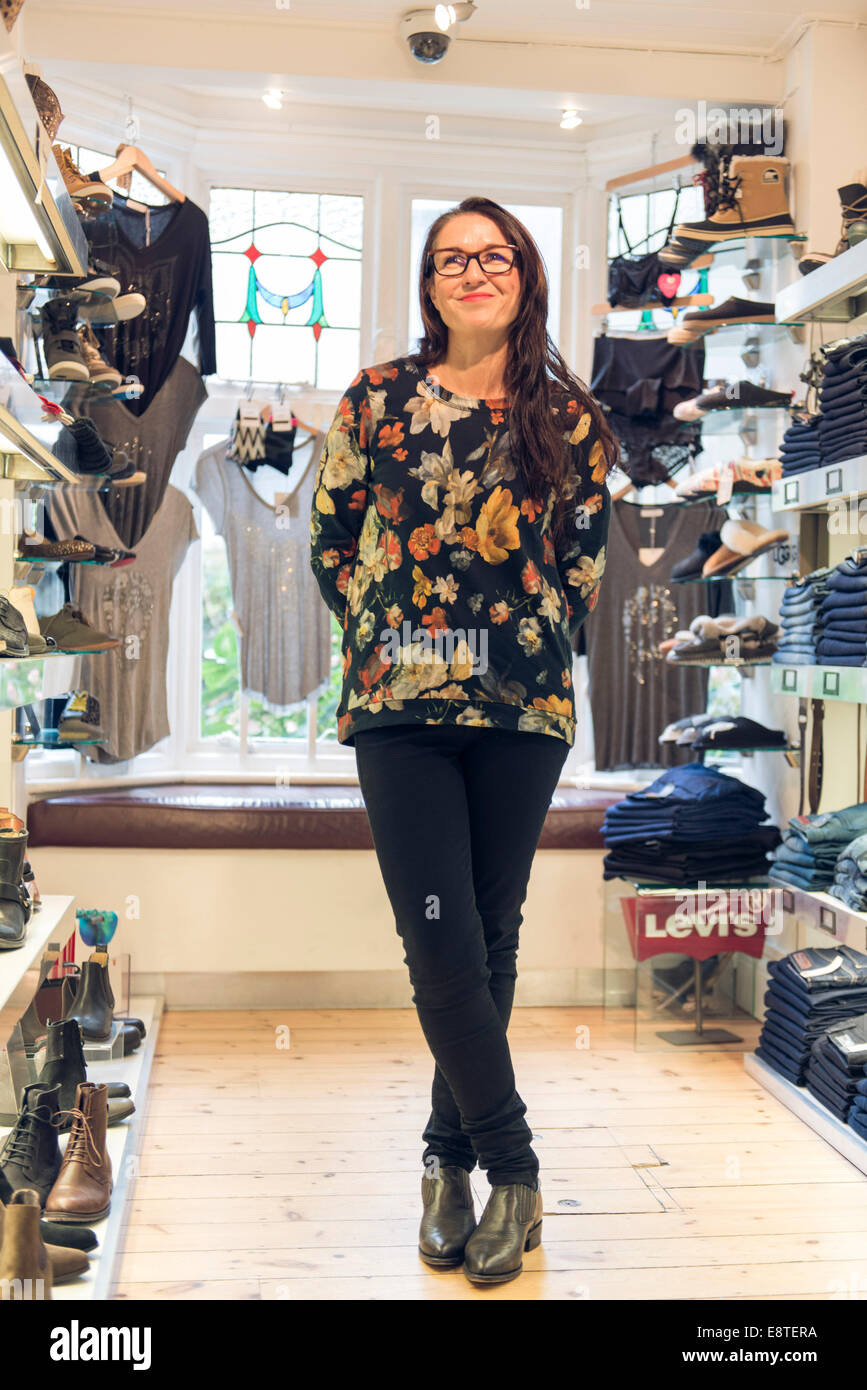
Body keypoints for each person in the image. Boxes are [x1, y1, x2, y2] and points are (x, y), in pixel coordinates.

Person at [310, 196, 616, 1286]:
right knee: (438, 938)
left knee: (488, 933)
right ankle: (516, 1168)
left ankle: (447, 1164)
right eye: (452, 258)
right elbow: (332, 538)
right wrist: (394, 630)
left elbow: (583, 560)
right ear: (430, 281)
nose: (472, 271)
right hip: (400, 706)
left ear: (523, 274)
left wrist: (517, 637)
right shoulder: (378, 398)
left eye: (492, 255)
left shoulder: (568, 417)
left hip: (521, 710)